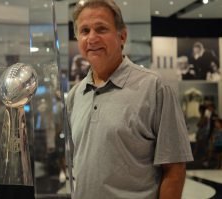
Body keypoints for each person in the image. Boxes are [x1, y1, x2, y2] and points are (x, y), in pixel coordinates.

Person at [66, 0, 193, 198]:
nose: (92, 38)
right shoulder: (76, 95)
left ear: (122, 36)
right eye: (84, 31)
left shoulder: (155, 88)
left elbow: (174, 169)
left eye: (101, 29)